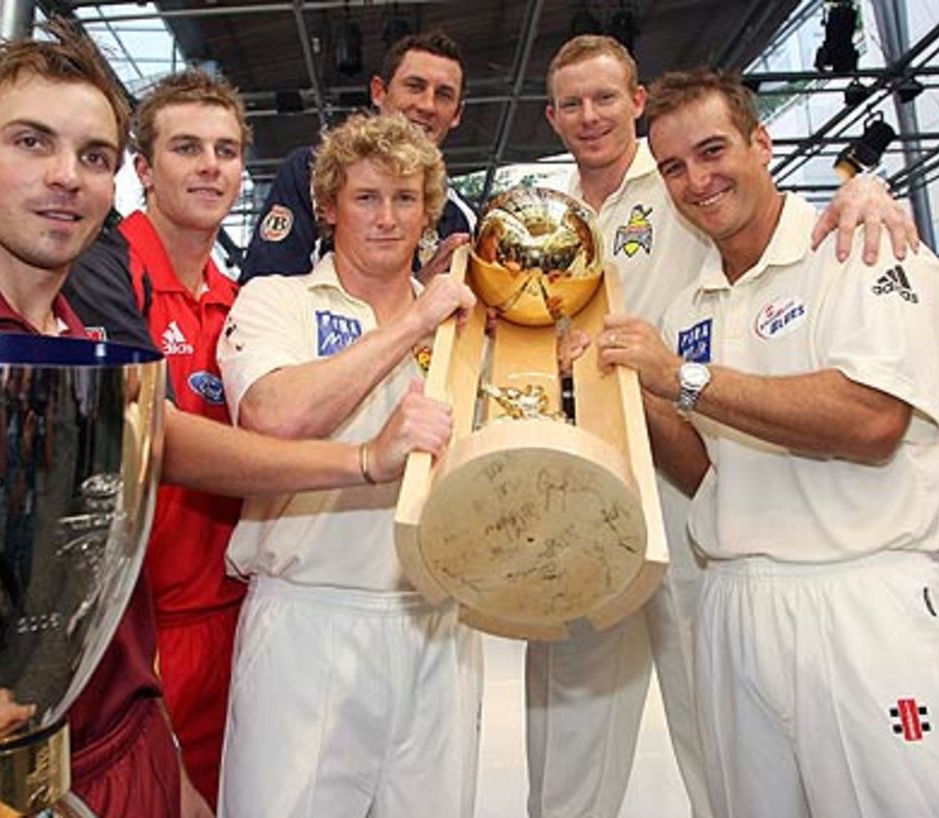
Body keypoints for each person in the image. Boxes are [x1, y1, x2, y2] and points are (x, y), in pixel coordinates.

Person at [0, 26, 456, 818]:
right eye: (30, 141)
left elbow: (175, 448)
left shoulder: (88, 345)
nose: (65, 177)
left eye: (92, 157)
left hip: (121, 750)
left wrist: (168, 773)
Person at [527, 34, 923, 818]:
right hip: (652, 504)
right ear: (550, 117)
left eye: (605, 97)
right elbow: (699, 449)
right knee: (596, 745)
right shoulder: (560, 223)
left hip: (818, 568)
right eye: (571, 103)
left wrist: (865, 186)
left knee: (743, 755)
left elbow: (873, 418)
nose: (696, 180)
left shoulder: (807, 233)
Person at [216, 111, 481, 818]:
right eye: (366, 198)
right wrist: (413, 324)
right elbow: (274, 416)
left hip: (437, 622)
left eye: (405, 199)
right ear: (327, 208)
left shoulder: (468, 324)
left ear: (429, 211)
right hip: (309, 621)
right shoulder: (276, 300)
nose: (387, 218)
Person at [63, 69, 251, 811]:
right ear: (144, 169)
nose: (211, 165)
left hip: (233, 615)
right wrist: (361, 463)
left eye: (228, 150)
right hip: (138, 634)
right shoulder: (100, 271)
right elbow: (157, 439)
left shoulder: (242, 303)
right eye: (187, 148)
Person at [239, 30, 476, 284]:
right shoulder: (312, 172)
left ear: (457, 114)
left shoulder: (462, 218)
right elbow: (262, 290)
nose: (427, 105)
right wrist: (417, 296)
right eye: (415, 86)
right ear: (378, 92)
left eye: (443, 94)